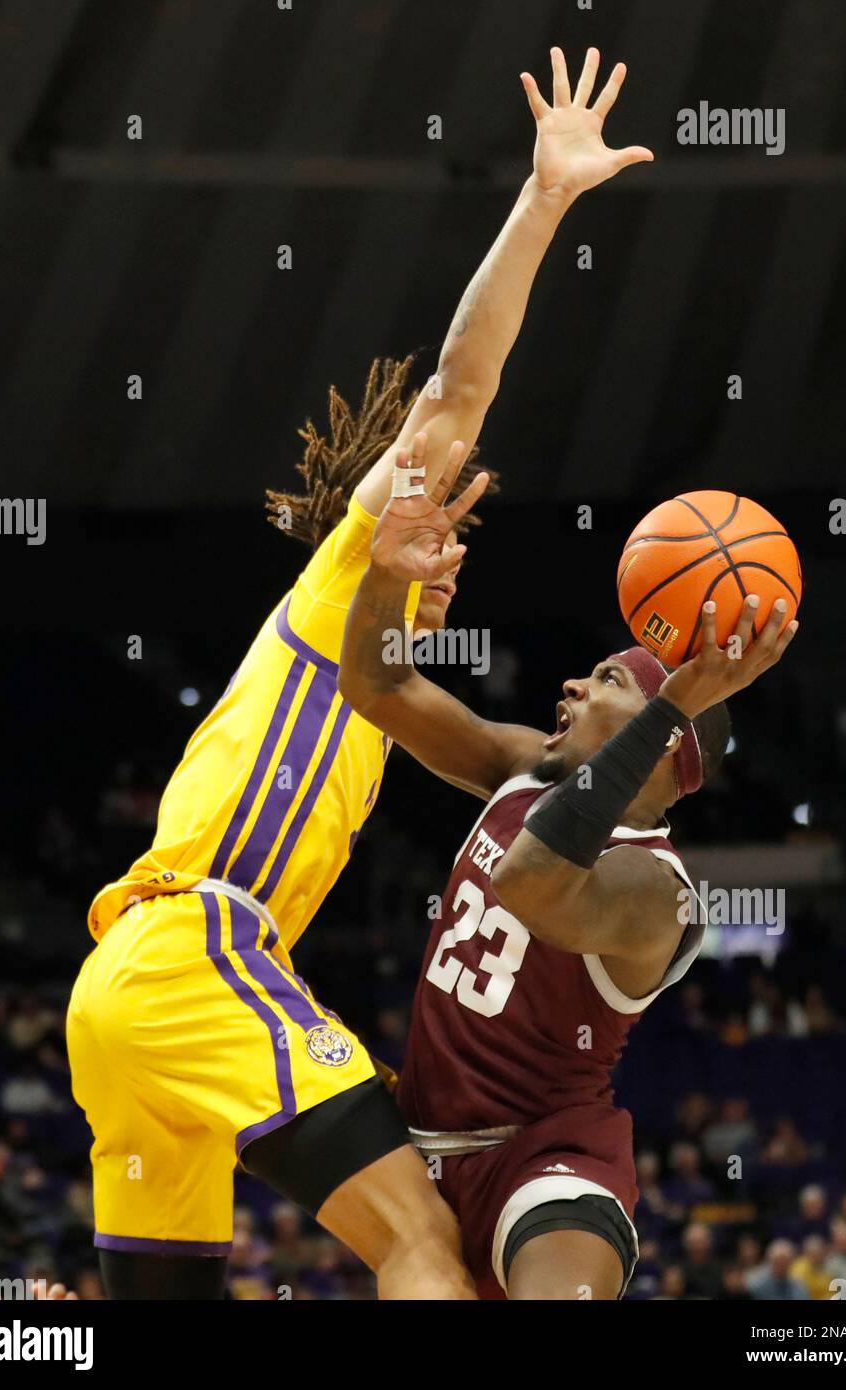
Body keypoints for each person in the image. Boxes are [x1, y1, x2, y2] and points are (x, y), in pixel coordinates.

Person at [66, 45, 652, 1300]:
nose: (443, 560)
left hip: (130, 992)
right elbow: (459, 385)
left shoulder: (381, 701)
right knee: (421, 1245)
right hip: (189, 951)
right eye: (431, 531)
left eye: (453, 551)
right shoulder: (339, 580)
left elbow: (529, 764)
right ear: (375, 516)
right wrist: (544, 201)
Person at [338, 436, 798, 1299]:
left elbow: (529, 882)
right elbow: (380, 688)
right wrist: (386, 572)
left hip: (546, 1159)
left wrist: (668, 701)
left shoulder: (654, 893)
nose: (572, 689)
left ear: (667, 746)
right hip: (419, 1148)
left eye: (604, 683)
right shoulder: (526, 767)